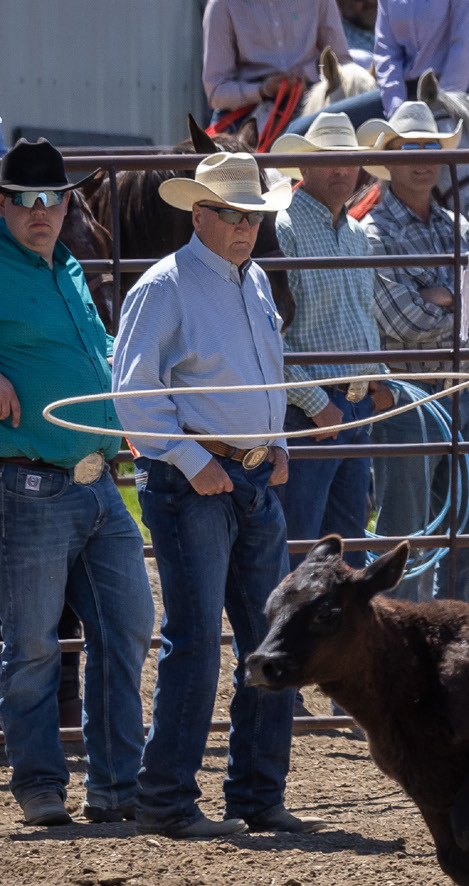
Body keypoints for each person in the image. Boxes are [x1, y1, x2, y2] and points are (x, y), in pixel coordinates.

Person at [112, 152, 325, 839]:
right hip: (192, 480)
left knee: (268, 638)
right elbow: (132, 393)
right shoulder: (163, 286)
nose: (245, 228)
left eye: (254, 216)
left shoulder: (254, 279)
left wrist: (276, 441)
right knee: (196, 639)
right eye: (233, 215)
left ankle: (257, 795)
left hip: (250, 475)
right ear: (198, 213)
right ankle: (167, 797)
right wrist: (187, 454)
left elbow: (266, 368)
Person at [0, 140, 154, 828]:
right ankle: (39, 783)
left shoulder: (68, 267)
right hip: (31, 481)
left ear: (68, 203)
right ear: (3, 205)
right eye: (26, 199)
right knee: (33, 640)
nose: (41, 211)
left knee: (127, 626)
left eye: (52, 198)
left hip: (98, 480)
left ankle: (118, 785)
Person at [359, 102, 469, 604]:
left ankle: (455, 642)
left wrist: (444, 295)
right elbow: (404, 322)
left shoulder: (460, 227)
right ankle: (399, 643)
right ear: (388, 156)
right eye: (410, 147)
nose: (423, 158)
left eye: (431, 146)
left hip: (460, 391)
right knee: (405, 537)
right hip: (408, 395)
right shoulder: (372, 232)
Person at [271, 112, 395, 575]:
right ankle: (288, 643)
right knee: (300, 543)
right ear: (303, 166)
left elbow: (361, 315)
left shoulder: (358, 233)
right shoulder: (282, 228)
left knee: (348, 546)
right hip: (310, 411)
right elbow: (269, 334)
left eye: (349, 160)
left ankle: (334, 644)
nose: (341, 171)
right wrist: (314, 401)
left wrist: (379, 378)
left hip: (352, 406)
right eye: (327, 160)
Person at [284, 0, 469, 134]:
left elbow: (465, 46)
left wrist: (442, 106)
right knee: (300, 131)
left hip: (450, 94)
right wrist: (397, 110)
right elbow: (386, 49)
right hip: (400, 93)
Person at [202, 0, 354, 119]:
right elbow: (216, 92)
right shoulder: (222, 5)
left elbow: (343, 65)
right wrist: (264, 90)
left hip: (311, 100)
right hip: (248, 111)